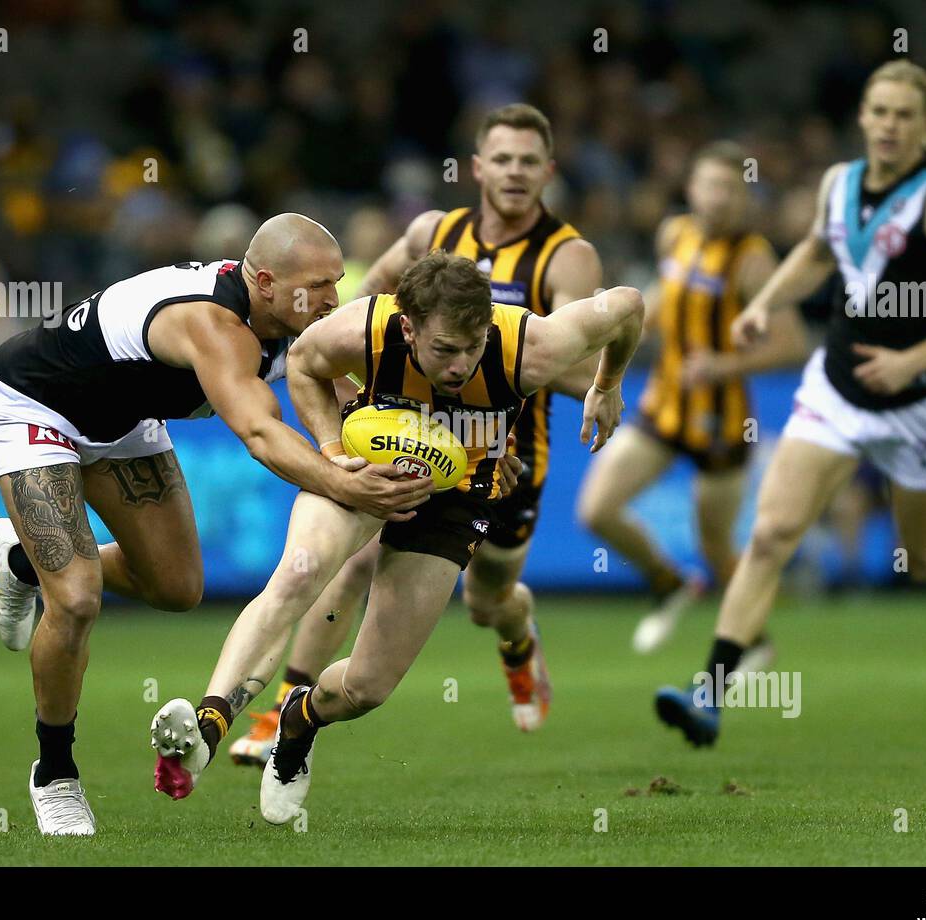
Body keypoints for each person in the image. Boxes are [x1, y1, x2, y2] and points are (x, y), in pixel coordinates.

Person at [0, 213, 431, 835]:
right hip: (33, 403)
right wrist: (348, 483)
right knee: (76, 600)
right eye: (318, 286)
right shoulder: (215, 326)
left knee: (176, 587)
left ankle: (23, 561)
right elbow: (261, 434)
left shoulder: (290, 323)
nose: (333, 299)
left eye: (336, 282)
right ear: (264, 283)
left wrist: (444, 448)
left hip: (123, 420)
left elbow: (346, 395)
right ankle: (55, 772)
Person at [150, 250, 642, 823]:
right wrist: (336, 460)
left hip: (454, 496)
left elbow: (628, 305)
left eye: (473, 346)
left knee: (367, 689)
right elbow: (306, 363)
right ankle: (211, 722)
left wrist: (606, 384)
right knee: (301, 573)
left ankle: (300, 719)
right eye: (443, 351)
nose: (460, 365)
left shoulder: (533, 347)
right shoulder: (366, 326)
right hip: (367, 465)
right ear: (407, 327)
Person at [654, 60, 926, 747]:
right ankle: (709, 694)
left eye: (905, 115)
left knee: (923, 561)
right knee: (773, 533)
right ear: (862, 117)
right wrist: (764, 305)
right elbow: (814, 252)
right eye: (880, 111)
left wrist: (914, 360)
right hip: (835, 391)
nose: (890, 125)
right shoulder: (837, 185)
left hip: (918, 404)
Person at [227, 103, 603, 764]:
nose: (514, 172)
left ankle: (517, 637)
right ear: (479, 166)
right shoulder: (432, 231)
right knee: (351, 561)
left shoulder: (567, 258)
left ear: (547, 170)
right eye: (502, 159)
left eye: (528, 161)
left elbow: (570, 366)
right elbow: (364, 310)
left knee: (488, 602)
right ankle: (284, 710)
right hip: (403, 437)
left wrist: (496, 410)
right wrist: (350, 391)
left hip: (506, 459)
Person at [577, 141, 806, 655]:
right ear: (692, 189)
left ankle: (752, 641)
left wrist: (726, 365)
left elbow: (792, 342)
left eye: (730, 188)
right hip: (664, 406)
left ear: (744, 196)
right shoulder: (674, 234)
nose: (719, 198)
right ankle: (668, 582)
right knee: (596, 510)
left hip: (722, 424)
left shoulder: (752, 261)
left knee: (716, 546)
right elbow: (665, 299)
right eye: (710, 186)